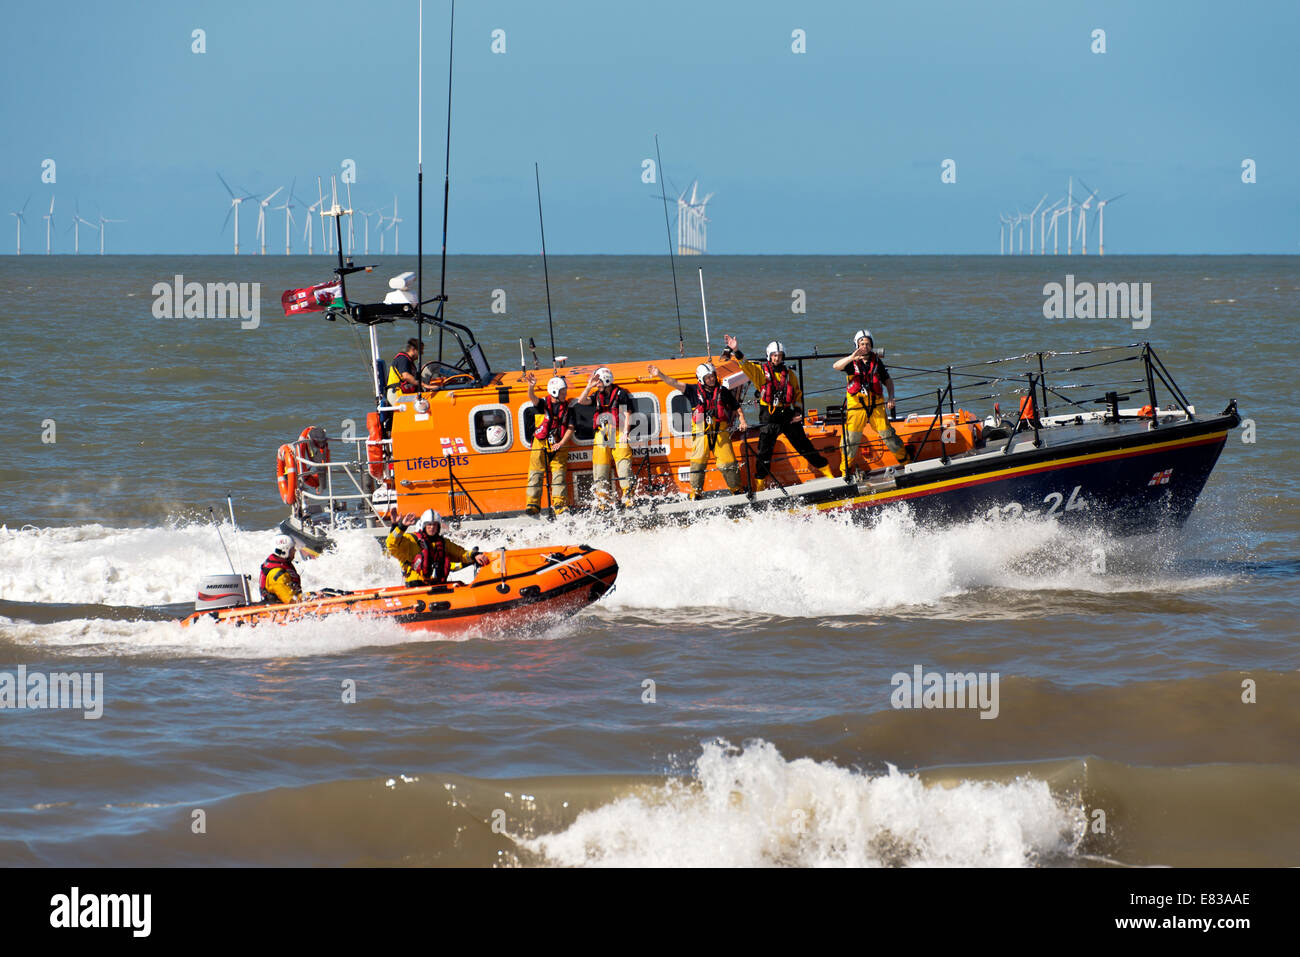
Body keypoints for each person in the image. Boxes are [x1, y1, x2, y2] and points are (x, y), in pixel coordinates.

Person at [724, 334, 835, 489]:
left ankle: (828, 472)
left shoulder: (789, 375)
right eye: (774, 355)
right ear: (769, 356)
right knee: (764, 453)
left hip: (787, 416)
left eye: (780, 355)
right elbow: (745, 365)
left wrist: (797, 411)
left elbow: (797, 394)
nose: (777, 358)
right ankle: (760, 484)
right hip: (769, 418)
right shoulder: (760, 372)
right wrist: (736, 350)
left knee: (804, 446)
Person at [648, 361, 743, 499]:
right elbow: (674, 383)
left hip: (719, 432)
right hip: (701, 431)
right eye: (707, 377)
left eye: (712, 376)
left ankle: (737, 490)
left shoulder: (723, 391)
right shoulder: (692, 391)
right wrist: (660, 374)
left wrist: (743, 420)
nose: (711, 379)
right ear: (701, 379)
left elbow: (736, 406)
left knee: (728, 462)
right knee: (697, 463)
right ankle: (696, 493)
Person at [832, 329, 907, 474]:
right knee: (851, 440)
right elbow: (836, 366)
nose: (864, 346)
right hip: (856, 407)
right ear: (856, 345)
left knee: (888, 435)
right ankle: (845, 472)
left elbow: (888, 381)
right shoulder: (850, 363)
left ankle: (906, 462)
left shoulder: (877, 362)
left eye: (867, 344)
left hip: (876, 406)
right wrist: (851, 358)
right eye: (861, 344)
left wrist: (891, 397)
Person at [577, 367, 635, 509]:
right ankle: (603, 500)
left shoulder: (621, 394)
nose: (597, 385)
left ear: (606, 380)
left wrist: (625, 433)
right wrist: (588, 386)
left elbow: (627, 413)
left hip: (618, 432)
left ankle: (628, 496)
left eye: (599, 382)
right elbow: (581, 401)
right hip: (602, 434)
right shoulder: (596, 395)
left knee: (623, 464)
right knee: (600, 466)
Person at [386, 509, 490, 586]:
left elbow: (460, 554)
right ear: (424, 526)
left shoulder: (444, 543)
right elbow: (391, 544)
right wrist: (400, 526)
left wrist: (475, 555)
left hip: (437, 586)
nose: (432, 527)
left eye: (434, 525)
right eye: (429, 525)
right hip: (416, 586)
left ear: (438, 526)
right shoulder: (411, 540)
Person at [524, 373, 576, 516]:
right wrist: (531, 387)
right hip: (540, 444)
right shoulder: (543, 404)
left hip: (558, 446)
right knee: (535, 473)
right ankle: (533, 503)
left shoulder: (568, 410)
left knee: (559, 475)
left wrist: (561, 443)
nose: (565, 394)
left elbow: (570, 428)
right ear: (555, 392)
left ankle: (559, 504)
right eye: (563, 391)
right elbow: (533, 399)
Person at [260, 534, 303, 604]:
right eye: (292, 549)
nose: (295, 550)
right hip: (280, 609)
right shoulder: (277, 575)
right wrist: (311, 595)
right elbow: (291, 600)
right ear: (284, 551)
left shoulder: (283, 566)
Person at [385, 338, 424, 405]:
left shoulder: (408, 360)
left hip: (401, 393)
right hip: (396, 394)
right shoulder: (403, 359)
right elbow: (406, 376)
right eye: (420, 351)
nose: (422, 353)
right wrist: (423, 384)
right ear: (413, 350)